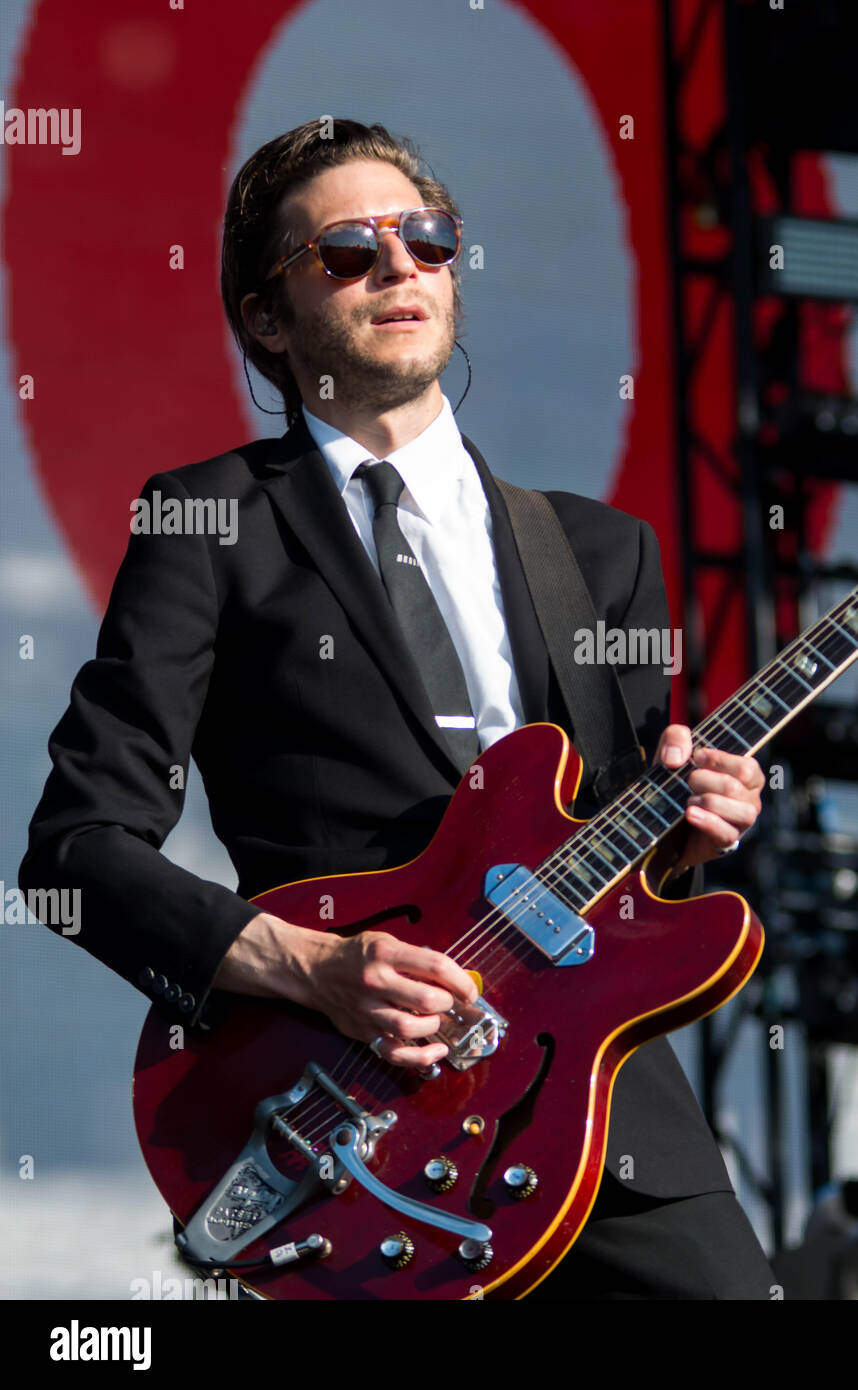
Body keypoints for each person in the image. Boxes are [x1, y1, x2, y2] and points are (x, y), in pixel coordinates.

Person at [20, 118, 772, 1299]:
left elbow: (621, 877)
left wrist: (684, 829)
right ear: (266, 317)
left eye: (425, 239)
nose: (399, 268)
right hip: (354, 1132)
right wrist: (312, 967)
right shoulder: (207, 521)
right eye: (345, 252)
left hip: (601, 1127)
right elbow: (75, 850)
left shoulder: (598, 550)